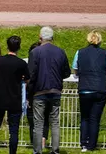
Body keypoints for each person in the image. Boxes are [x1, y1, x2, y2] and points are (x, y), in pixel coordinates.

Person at [28, 26, 70, 154]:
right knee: (55, 122)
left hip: (39, 92)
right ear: (52, 38)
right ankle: (55, 150)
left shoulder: (35, 52)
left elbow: (31, 75)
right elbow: (66, 72)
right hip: (56, 91)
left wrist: (29, 93)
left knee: (38, 124)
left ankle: (37, 151)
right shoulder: (61, 52)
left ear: (40, 38)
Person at [0, 36, 29, 154]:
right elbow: (27, 79)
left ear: (7, 46)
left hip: (0, 98)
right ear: (18, 47)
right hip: (14, 99)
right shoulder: (21, 63)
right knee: (14, 130)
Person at [73, 31, 106, 152]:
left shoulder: (79, 52)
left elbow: (75, 69)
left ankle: (84, 144)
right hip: (100, 89)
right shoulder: (105, 53)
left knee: (84, 118)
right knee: (94, 118)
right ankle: (91, 145)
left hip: (84, 88)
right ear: (100, 40)